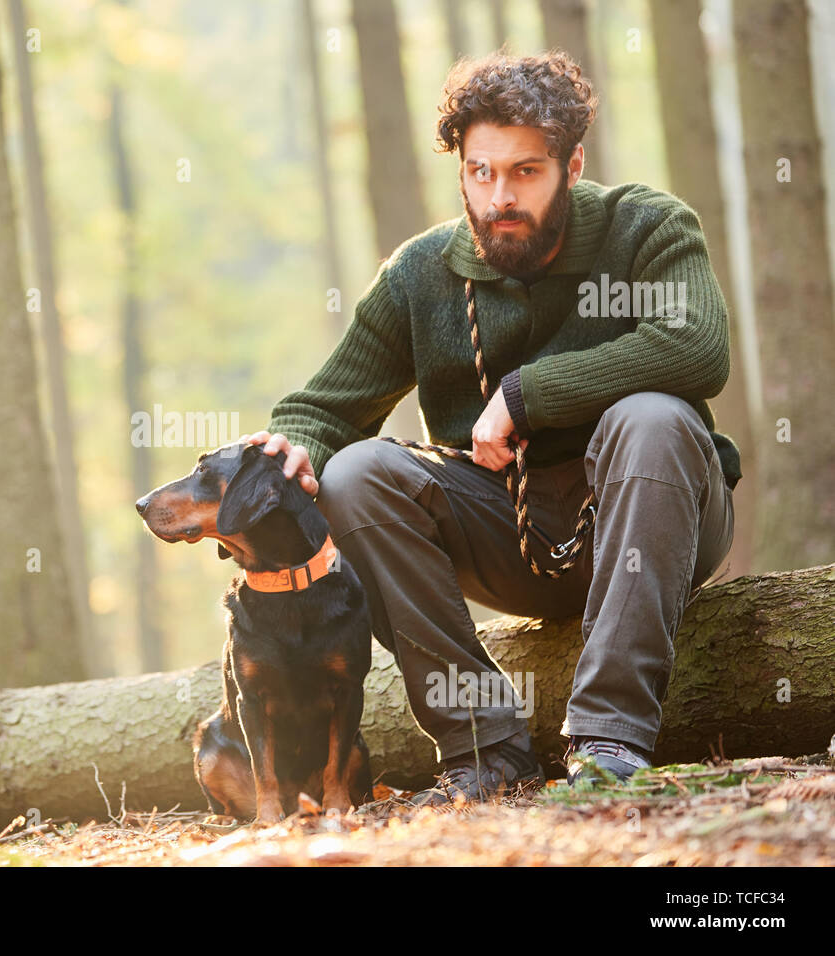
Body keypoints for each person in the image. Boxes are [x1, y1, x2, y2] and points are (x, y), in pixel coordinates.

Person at [243, 50, 739, 805]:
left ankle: (609, 740)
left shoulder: (646, 227)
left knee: (652, 419)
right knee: (356, 473)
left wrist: (524, 395)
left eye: (525, 172)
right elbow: (322, 409)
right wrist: (293, 449)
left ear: (571, 165)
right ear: (462, 170)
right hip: (511, 532)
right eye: (481, 172)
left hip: (654, 509)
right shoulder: (419, 275)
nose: (500, 196)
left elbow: (696, 347)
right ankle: (485, 748)